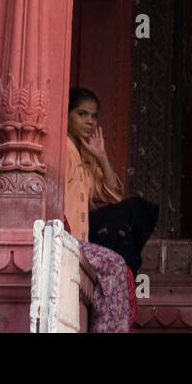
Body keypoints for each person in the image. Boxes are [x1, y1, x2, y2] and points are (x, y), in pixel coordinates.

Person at [64, 88, 134, 332]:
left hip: (79, 246)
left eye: (94, 116)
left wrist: (102, 156)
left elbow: (112, 194)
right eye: (82, 114)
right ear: (66, 113)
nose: (89, 121)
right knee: (114, 264)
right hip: (63, 241)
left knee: (119, 268)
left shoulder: (86, 155)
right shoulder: (62, 150)